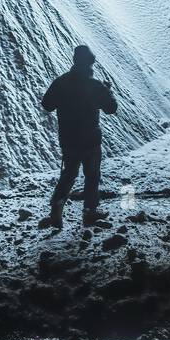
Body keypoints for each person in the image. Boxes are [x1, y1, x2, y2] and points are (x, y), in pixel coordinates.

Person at [39, 45, 117, 228]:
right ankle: (90, 213)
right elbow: (111, 108)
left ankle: (56, 211)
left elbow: (47, 104)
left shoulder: (61, 82)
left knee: (69, 174)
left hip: (68, 139)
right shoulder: (95, 85)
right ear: (90, 62)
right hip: (90, 140)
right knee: (92, 176)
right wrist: (107, 91)